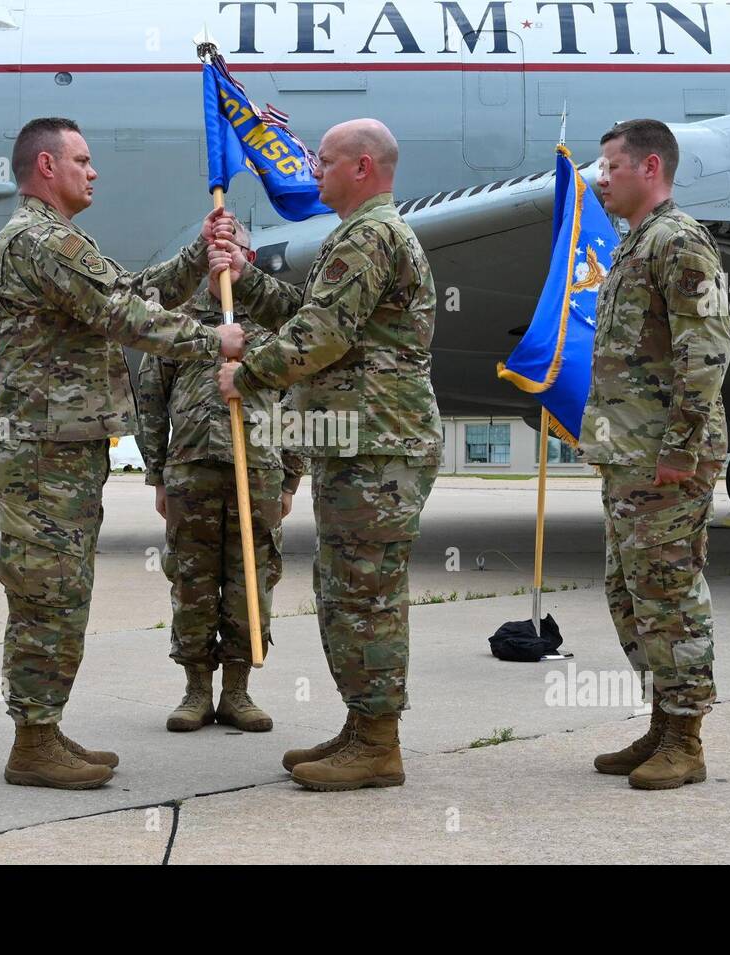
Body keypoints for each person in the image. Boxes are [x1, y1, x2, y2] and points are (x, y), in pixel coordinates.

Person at [0, 117, 244, 790]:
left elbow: (132, 293)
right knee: (49, 593)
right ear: (46, 166)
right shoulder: (42, 242)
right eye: (82, 159)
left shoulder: (57, 241)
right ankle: (33, 742)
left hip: (62, 447)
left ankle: (43, 727)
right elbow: (128, 317)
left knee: (62, 591)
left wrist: (197, 255)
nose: (92, 171)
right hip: (44, 449)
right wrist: (217, 341)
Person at [211, 118, 441, 792]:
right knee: (346, 589)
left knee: (364, 595)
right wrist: (246, 275)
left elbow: (322, 332)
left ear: (363, 167)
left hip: (376, 443)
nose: (313, 169)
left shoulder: (370, 235)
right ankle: (363, 724)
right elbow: (309, 310)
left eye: (326, 159)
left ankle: (377, 743)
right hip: (358, 441)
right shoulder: (362, 234)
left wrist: (246, 371)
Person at [580, 118, 730, 790]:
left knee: (668, 592)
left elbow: (706, 350)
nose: (599, 179)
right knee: (631, 591)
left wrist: (681, 446)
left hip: (666, 459)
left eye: (609, 167)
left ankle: (687, 738)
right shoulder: (633, 245)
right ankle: (662, 721)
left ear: (649, 167)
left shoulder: (677, 240)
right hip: (632, 456)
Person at [137, 218, 305, 733]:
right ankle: (194, 691)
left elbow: (299, 401)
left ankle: (237, 691)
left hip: (257, 471)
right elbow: (150, 401)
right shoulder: (178, 322)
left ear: (249, 260)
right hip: (191, 470)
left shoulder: (274, 322)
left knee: (251, 581)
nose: (223, 260)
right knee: (192, 580)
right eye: (215, 251)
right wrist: (157, 474)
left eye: (233, 251)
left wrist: (291, 479)